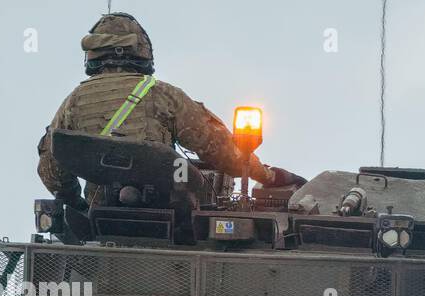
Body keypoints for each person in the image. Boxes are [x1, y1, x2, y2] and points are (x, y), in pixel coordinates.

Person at [37, 12, 302, 206]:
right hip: (165, 221)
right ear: (142, 50)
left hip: (103, 225)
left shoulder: (74, 101)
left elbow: (53, 169)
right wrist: (266, 175)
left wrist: (76, 204)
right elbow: (219, 149)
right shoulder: (160, 94)